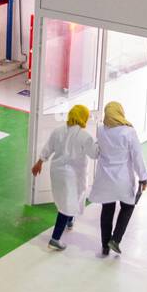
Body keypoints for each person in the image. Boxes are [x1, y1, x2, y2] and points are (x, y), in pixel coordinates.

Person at [31, 104, 98, 252]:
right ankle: (55, 239)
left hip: (57, 172)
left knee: (66, 199)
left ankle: (69, 221)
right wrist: (101, 143)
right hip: (73, 174)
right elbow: (94, 154)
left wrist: (39, 162)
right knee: (68, 203)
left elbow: (48, 147)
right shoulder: (84, 135)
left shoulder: (58, 131)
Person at [88, 101, 147, 258]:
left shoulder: (101, 130)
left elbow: (97, 150)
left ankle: (104, 246)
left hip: (105, 179)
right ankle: (115, 239)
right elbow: (137, 156)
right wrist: (143, 177)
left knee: (107, 210)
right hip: (123, 180)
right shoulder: (129, 132)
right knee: (128, 207)